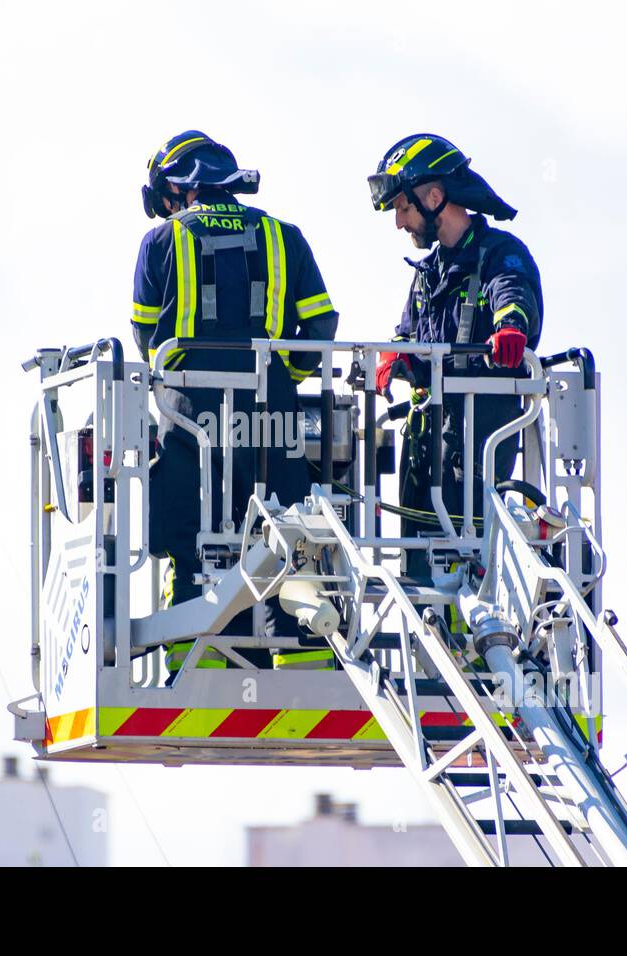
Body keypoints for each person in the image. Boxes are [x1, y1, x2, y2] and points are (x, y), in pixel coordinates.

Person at [132, 130, 339, 671]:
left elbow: (145, 336)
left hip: (187, 417)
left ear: (179, 189)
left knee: (188, 535)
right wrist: (281, 381)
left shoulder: (159, 242)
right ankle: (303, 662)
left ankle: (196, 658)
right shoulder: (285, 236)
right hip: (270, 416)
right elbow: (320, 326)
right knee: (287, 533)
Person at [366, 134, 543, 578]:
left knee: (470, 554)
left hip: (478, 437)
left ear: (434, 197)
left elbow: (513, 295)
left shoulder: (500, 255)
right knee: (419, 561)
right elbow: (409, 336)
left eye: (403, 209)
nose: (399, 223)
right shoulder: (428, 274)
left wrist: (510, 329)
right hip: (427, 442)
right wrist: (394, 358)